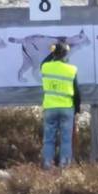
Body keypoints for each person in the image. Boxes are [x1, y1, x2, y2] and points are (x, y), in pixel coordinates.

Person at [40, 40, 80, 169]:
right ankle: (64, 166)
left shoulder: (45, 67)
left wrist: (52, 51)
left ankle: (47, 165)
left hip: (50, 108)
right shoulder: (71, 69)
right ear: (66, 54)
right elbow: (77, 91)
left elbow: (44, 62)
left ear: (54, 53)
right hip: (67, 108)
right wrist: (77, 108)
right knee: (66, 140)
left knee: (48, 139)